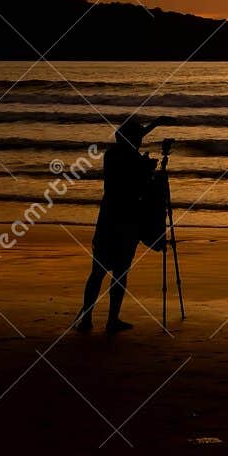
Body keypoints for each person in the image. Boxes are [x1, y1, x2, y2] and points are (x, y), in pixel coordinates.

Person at [76, 114, 168, 333]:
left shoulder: (113, 155)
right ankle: (111, 320)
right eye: (138, 137)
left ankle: (87, 319)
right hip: (126, 220)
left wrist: (153, 125)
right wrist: (150, 171)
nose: (141, 141)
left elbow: (131, 139)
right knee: (120, 272)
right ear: (132, 139)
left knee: (97, 271)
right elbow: (139, 189)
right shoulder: (133, 160)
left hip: (107, 218)